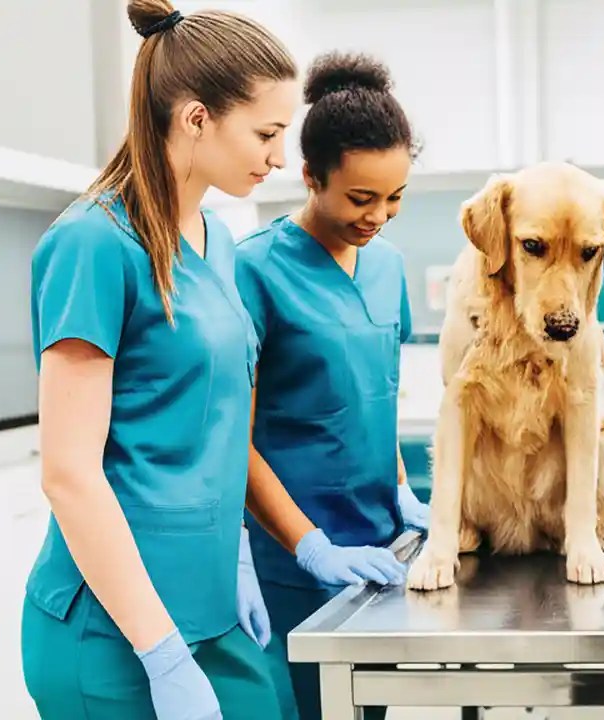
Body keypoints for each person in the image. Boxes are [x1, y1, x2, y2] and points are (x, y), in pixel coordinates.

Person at [20, 2, 299, 718]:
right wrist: (161, 655)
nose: (277, 157)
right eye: (266, 134)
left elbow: (215, 420)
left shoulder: (219, 241)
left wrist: (236, 551)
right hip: (117, 631)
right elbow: (69, 474)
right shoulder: (93, 244)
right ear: (196, 118)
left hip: (209, 602)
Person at [235, 51, 426, 720]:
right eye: (361, 198)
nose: (379, 215)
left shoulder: (389, 266)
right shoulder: (252, 272)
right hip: (294, 561)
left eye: (395, 197)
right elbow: (236, 439)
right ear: (311, 177)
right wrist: (307, 545)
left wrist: (402, 490)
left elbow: (379, 395)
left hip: (381, 545)